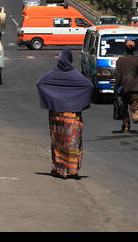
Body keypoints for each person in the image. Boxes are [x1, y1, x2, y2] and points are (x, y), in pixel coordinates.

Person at [36, 50, 94, 178]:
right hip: (72, 116)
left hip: (56, 115)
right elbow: (89, 86)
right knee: (72, 143)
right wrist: (77, 101)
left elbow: (40, 83)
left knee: (58, 142)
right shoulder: (75, 75)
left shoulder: (53, 74)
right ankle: (72, 170)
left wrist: (54, 99)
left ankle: (59, 169)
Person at [113, 39, 138, 135]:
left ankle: (126, 126)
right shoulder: (137, 60)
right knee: (135, 107)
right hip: (135, 88)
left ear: (125, 48)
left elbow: (118, 76)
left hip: (124, 89)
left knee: (124, 108)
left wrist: (115, 88)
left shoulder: (120, 61)